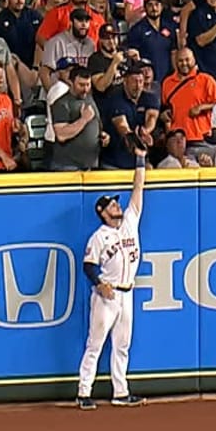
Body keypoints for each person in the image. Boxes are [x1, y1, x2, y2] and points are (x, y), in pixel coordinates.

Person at [76, 137, 149, 410]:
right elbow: (88, 265)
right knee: (95, 345)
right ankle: (84, 392)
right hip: (107, 295)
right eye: (112, 206)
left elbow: (138, 189)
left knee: (122, 345)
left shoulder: (130, 221)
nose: (117, 207)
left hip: (127, 293)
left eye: (117, 204)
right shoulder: (99, 237)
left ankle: (121, 392)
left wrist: (140, 159)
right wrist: (99, 283)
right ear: (103, 213)